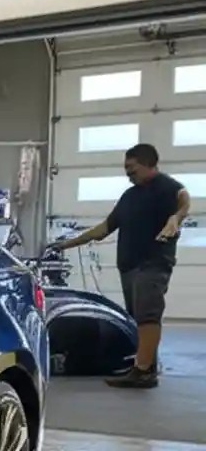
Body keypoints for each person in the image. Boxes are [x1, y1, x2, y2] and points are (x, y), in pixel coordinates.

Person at [51, 144, 190, 388]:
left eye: (132, 168)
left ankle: (143, 371)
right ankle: (146, 365)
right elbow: (104, 228)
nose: (128, 173)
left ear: (149, 164)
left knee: (148, 316)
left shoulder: (165, 186)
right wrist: (65, 245)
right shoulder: (129, 196)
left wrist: (176, 218)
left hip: (152, 263)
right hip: (129, 266)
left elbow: (184, 198)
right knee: (137, 318)